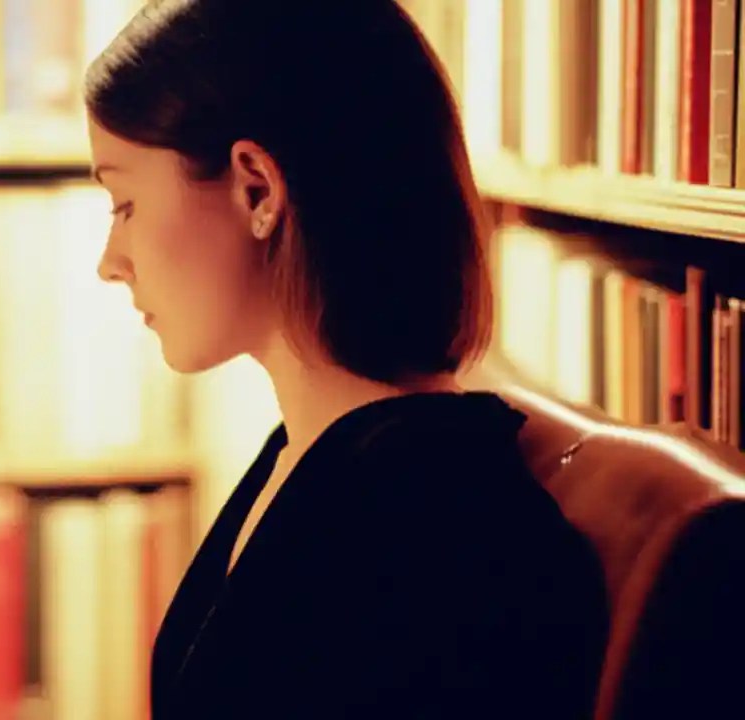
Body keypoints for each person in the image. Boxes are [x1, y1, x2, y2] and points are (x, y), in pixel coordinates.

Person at [85, 1, 609, 718]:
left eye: (125, 204)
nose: (109, 264)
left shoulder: (431, 535)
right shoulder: (313, 456)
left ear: (257, 190)